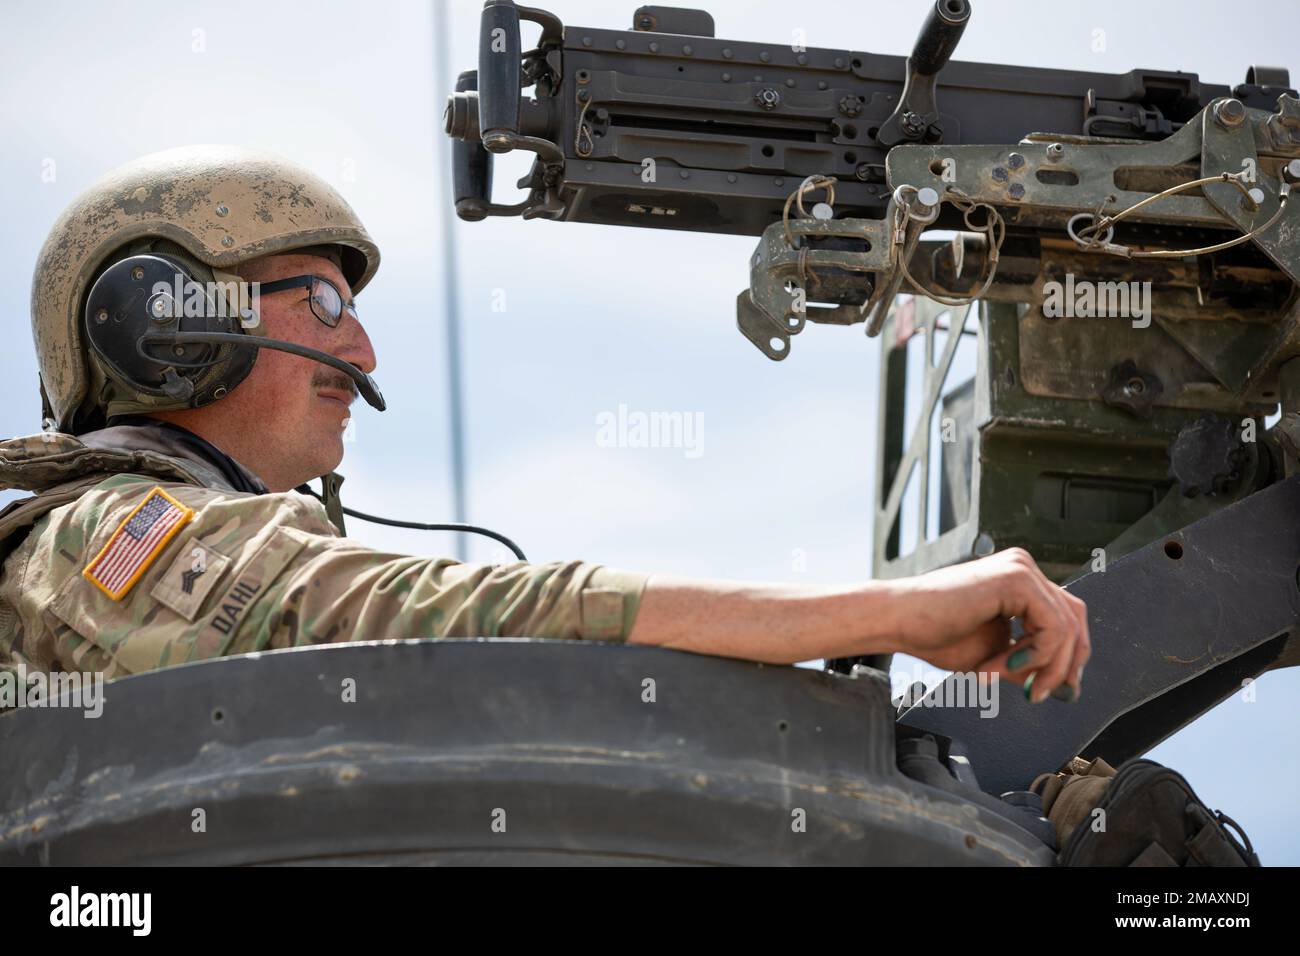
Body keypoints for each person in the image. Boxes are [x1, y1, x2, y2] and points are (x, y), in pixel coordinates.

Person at [0, 146, 1088, 703]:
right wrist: (885, 612)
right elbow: (442, 613)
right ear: (164, 321)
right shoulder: (110, 541)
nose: (363, 354)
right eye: (323, 304)